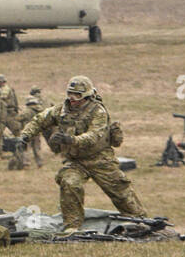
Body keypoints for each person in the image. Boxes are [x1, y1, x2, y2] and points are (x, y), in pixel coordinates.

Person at [17, 76, 147, 231]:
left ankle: (141, 221)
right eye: (70, 94)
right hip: (76, 161)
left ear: (86, 95)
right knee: (70, 183)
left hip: (100, 159)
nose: (72, 99)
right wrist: (25, 135)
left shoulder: (98, 111)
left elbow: (94, 136)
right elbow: (39, 120)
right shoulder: (61, 110)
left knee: (120, 190)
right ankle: (72, 226)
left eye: (77, 95)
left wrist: (70, 139)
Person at [15, 95, 45, 168]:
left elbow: (18, 118)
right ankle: (39, 163)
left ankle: (26, 163)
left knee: (25, 148)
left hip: (28, 132)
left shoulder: (26, 111)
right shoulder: (40, 110)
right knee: (37, 148)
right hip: (37, 132)